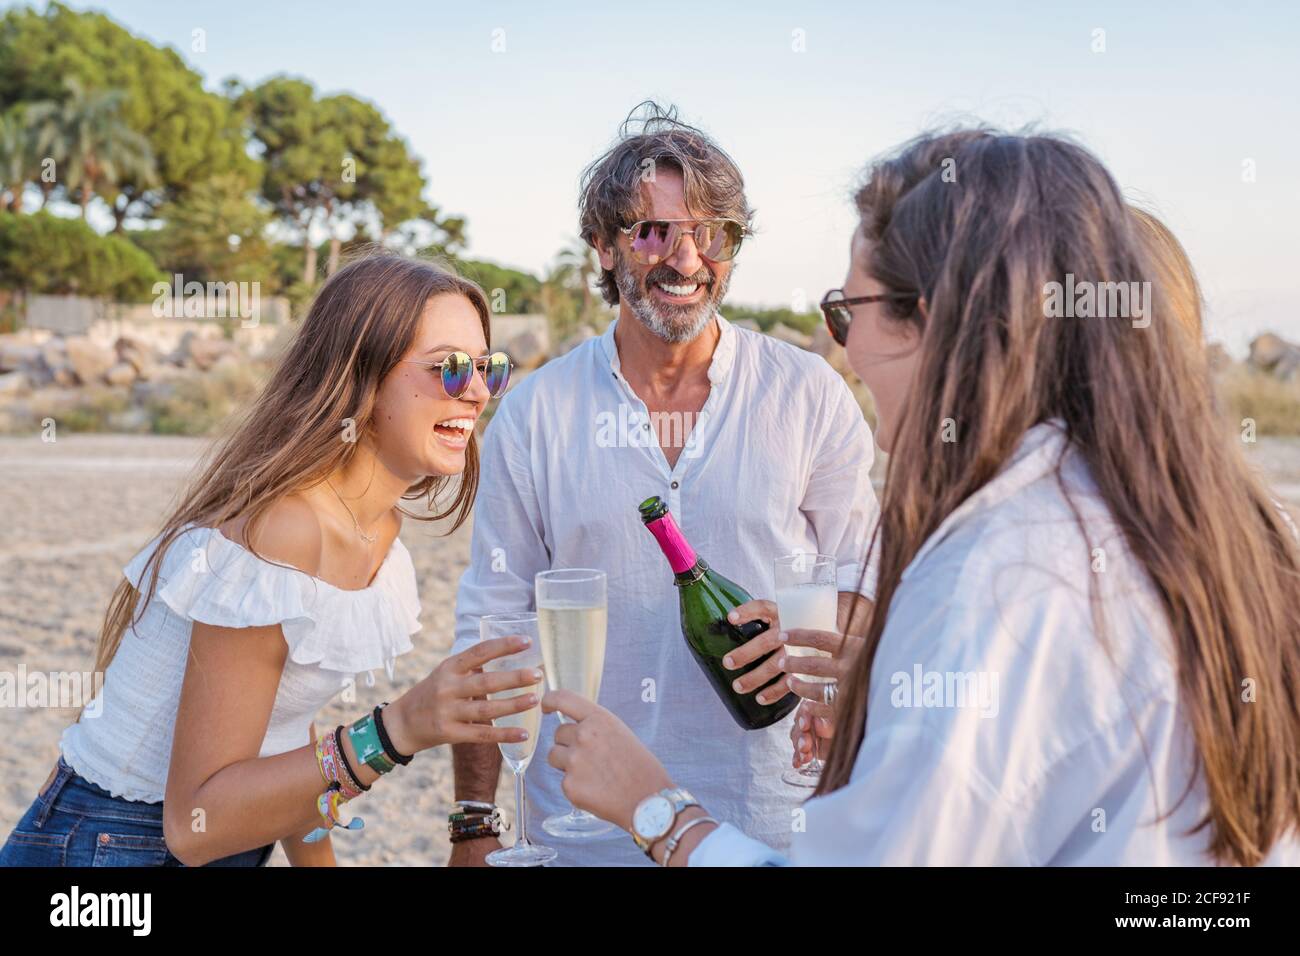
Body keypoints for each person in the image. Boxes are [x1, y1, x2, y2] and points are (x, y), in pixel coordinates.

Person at [541, 128, 1300, 866]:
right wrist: (890, 725)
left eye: (849, 312)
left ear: (933, 322)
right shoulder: (1222, 525)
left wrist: (659, 812)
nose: (843, 346)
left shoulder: (1000, 572)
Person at [0, 251, 541, 867]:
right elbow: (192, 827)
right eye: (448, 368)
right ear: (359, 377)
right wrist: (399, 729)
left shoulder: (380, 533)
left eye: (487, 368)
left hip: (233, 839)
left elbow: (285, 726)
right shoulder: (281, 531)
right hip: (106, 843)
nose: (476, 392)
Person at [448, 102, 880, 866]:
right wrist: (476, 825)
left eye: (713, 233)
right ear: (602, 248)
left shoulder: (808, 393)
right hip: (583, 833)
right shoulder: (536, 415)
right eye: (654, 232)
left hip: (773, 823)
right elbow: (493, 627)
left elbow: (863, 579)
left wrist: (818, 646)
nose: (687, 259)